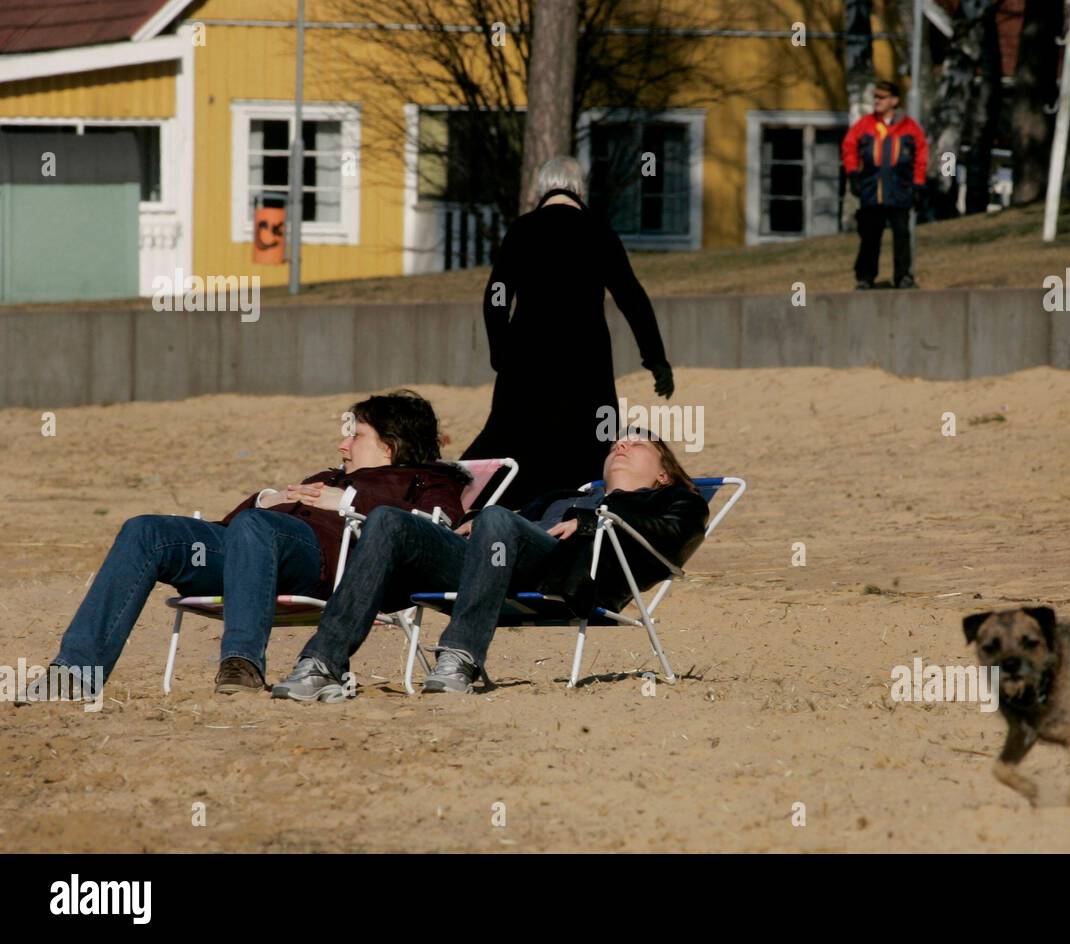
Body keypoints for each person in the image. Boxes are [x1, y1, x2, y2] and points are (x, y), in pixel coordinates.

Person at [35, 390, 469, 697]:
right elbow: (230, 525)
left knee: (256, 528)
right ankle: (75, 673)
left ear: (391, 446)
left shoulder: (427, 481)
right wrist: (264, 498)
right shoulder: (328, 475)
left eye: (356, 436)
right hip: (249, 552)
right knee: (146, 530)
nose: (342, 443)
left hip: (318, 564)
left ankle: (241, 663)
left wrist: (350, 501)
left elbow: (433, 531)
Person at [271, 430, 709, 702]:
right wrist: (473, 523)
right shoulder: (561, 495)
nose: (621, 444)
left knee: (499, 517)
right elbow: (507, 519)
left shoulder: (676, 501)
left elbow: (675, 539)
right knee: (388, 519)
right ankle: (323, 662)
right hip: (490, 561)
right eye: (616, 442)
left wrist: (595, 519)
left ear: (664, 473)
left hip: (558, 573)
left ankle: (460, 657)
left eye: (637, 443)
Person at [460, 155, 675, 509]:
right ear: (580, 189)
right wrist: (655, 359)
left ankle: (488, 513)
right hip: (585, 360)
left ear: (541, 190)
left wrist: (501, 354)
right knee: (587, 445)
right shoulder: (598, 231)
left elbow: (496, 298)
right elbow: (631, 297)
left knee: (510, 440)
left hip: (526, 358)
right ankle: (579, 515)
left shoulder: (523, 229)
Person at [842, 79, 929, 290]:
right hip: (873, 190)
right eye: (876, 97)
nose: (877, 101)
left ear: (894, 101)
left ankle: (903, 276)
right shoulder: (865, 125)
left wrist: (918, 184)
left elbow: (921, 155)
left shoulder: (909, 127)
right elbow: (849, 147)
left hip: (900, 190)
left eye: (882, 98)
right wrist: (853, 173)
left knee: (901, 234)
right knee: (870, 236)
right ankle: (865, 277)